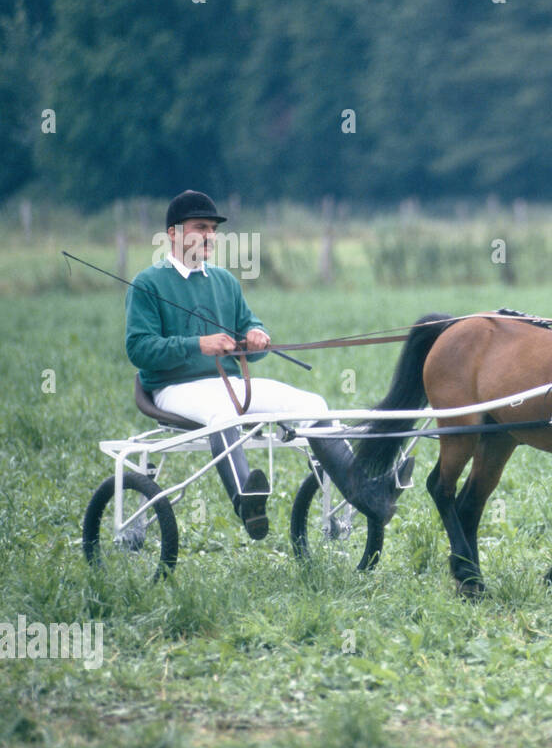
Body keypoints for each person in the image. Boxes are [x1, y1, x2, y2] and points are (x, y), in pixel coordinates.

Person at [125, 190, 408, 539]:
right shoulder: (147, 284)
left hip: (228, 384)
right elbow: (139, 349)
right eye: (200, 227)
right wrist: (198, 344)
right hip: (173, 389)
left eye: (213, 229)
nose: (209, 236)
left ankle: (367, 491)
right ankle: (247, 501)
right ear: (173, 233)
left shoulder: (225, 282)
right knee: (223, 414)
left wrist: (258, 336)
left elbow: (251, 331)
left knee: (313, 405)